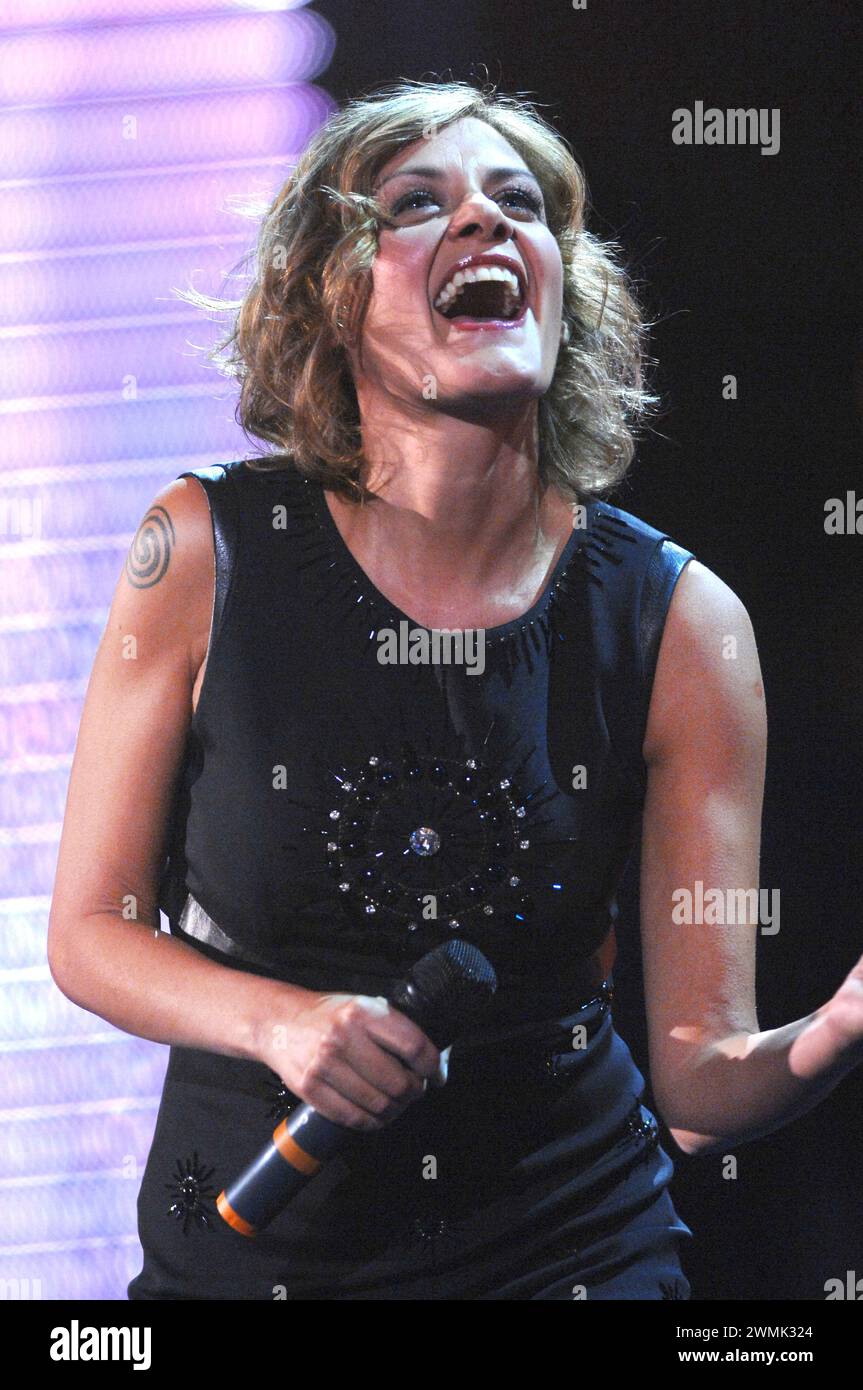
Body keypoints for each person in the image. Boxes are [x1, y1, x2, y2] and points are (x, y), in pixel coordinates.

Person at [48, 79, 863, 1301]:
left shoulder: (678, 620)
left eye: (518, 203)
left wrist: (843, 1024)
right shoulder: (207, 551)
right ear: (330, 293)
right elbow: (88, 935)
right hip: (253, 1256)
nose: (483, 222)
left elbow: (697, 1086)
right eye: (417, 204)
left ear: (563, 286)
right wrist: (283, 1023)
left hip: (574, 1258)